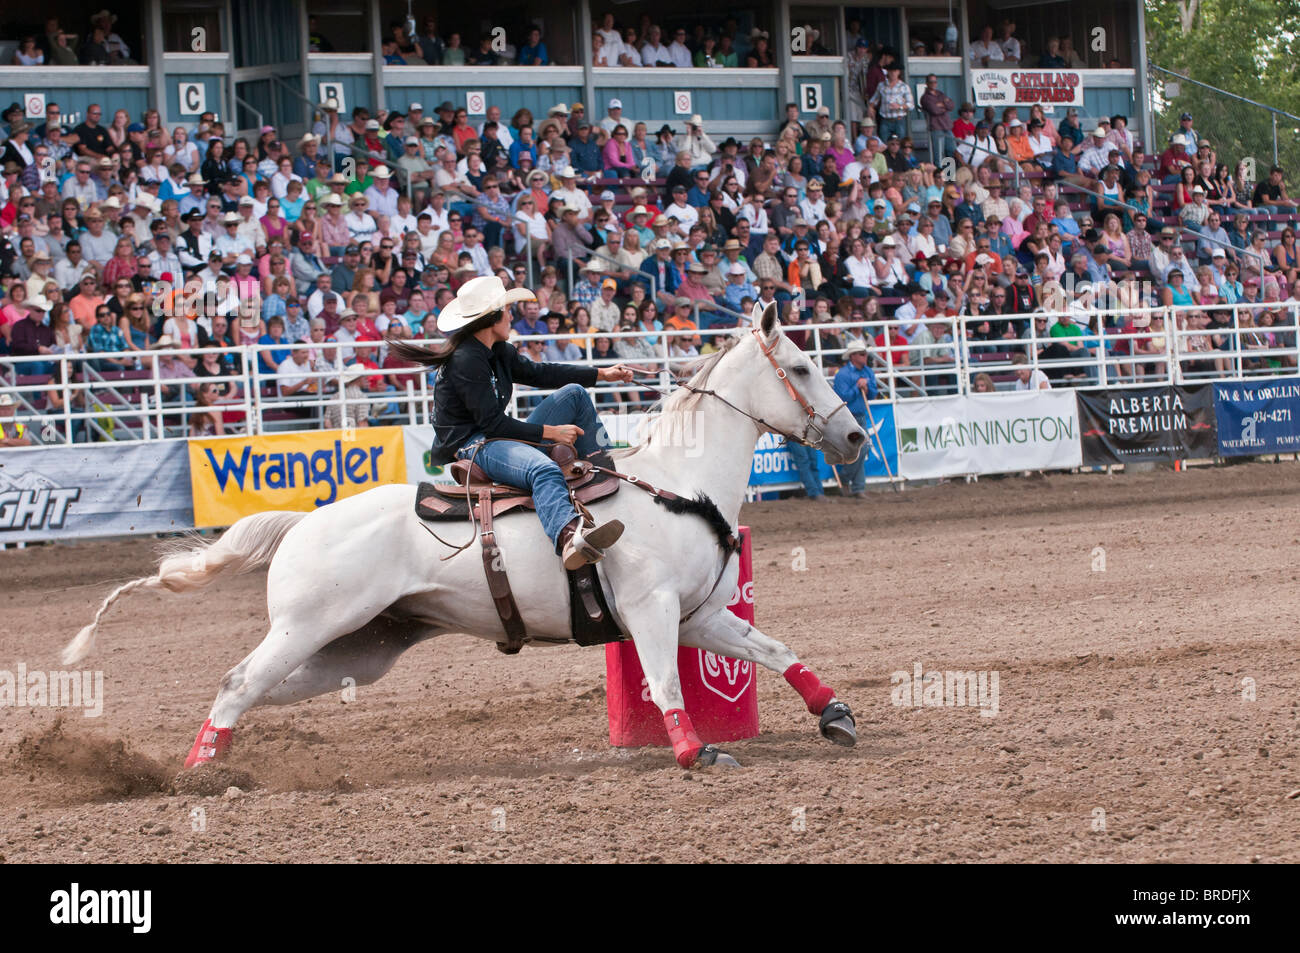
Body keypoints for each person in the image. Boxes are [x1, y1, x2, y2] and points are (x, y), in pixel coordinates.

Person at [391, 276, 635, 569]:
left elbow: (541, 373)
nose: (511, 315)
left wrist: (600, 374)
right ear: (491, 318)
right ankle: (568, 538)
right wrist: (551, 432)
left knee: (575, 395)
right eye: (507, 310)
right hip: (475, 444)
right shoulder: (466, 360)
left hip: (496, 436)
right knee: (543, 470)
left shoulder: (498, 351)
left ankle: (605, 472)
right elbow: (492, 425)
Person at [831, 340, 877, 497]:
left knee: (862, 449)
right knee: (861, 448)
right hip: (846, 418)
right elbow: (842, 398)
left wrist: (867, 387)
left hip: (860, 416)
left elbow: (872, 394)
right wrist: (857, 387)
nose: (865, 357)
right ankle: (852, 483)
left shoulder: (868, 372)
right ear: (853, 356)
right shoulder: (842, 375)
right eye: (862, 354)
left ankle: (855, 486)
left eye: (865, 354)